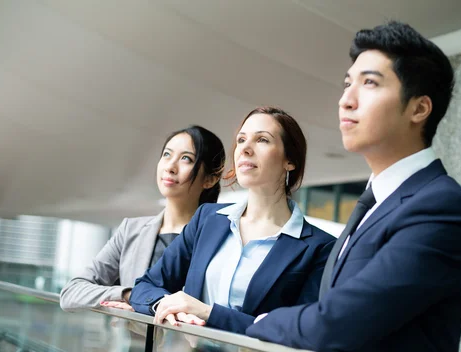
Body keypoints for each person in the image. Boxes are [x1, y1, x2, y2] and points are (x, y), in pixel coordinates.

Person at [246, 21, 461, 352]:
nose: (346, 99)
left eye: (369, 83)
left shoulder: (442, 207)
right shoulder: (375, 204)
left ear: (419, 109)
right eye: (347, 83)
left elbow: (338, 322)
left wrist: (264, 322)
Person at [129, 106, 335, 334]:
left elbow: (300, 332)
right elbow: (146, 286)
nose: (245, 149)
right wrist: (168, 307)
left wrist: (208, 313)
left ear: (290, 160)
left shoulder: (320, 247)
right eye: (241, 140)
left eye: (262, 140)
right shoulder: (208, 219)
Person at [59, 125, 225, 311]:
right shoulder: (131, 229)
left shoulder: (219, 239)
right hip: (129, 339)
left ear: (210, 179)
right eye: (167, 155)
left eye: (186, 159)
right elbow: (70, 292)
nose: (170, 166)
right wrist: (129, 295)